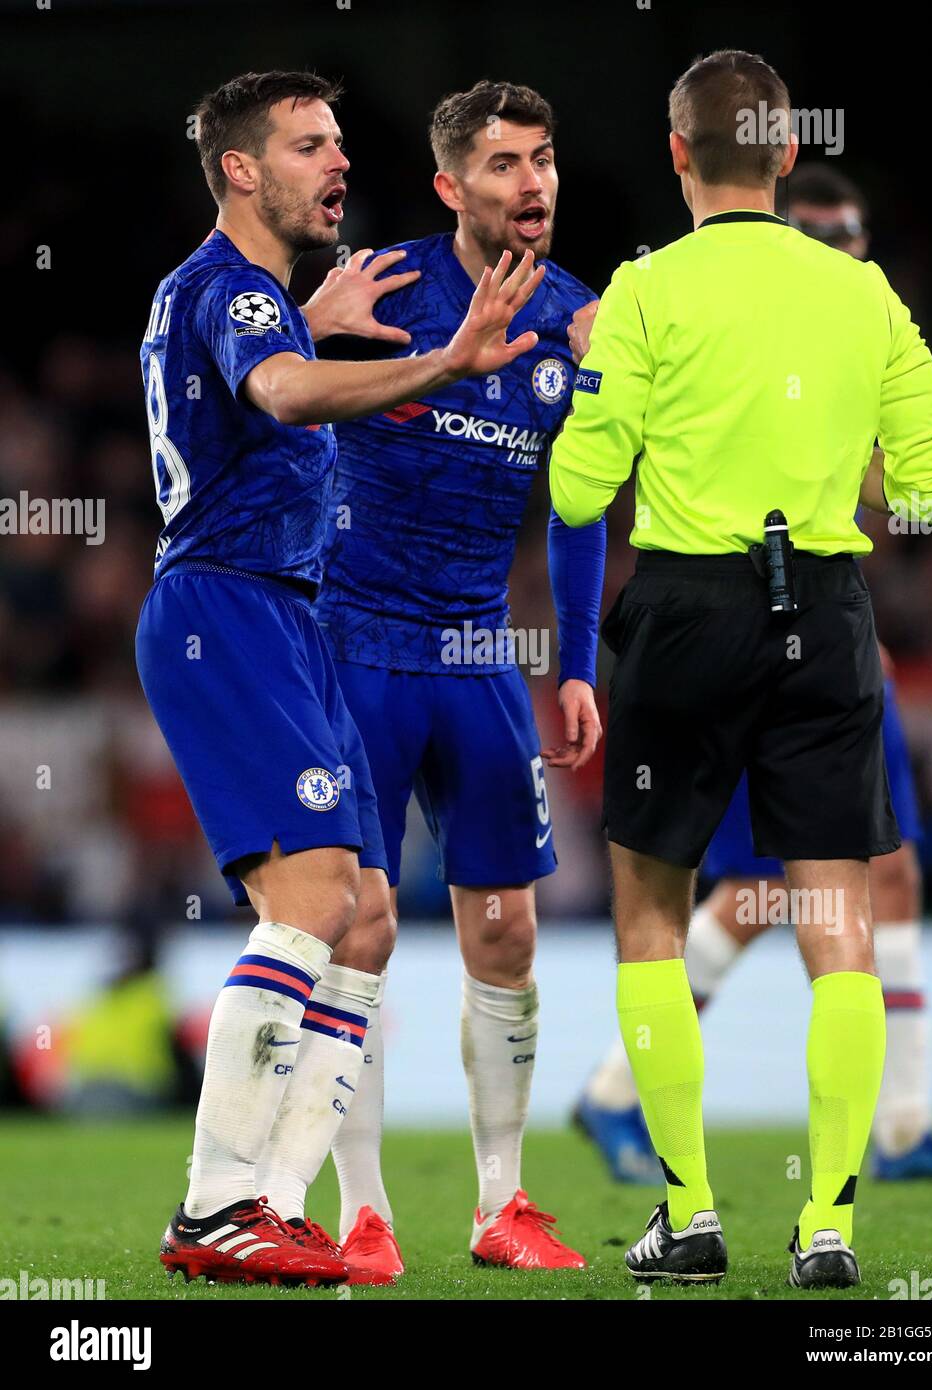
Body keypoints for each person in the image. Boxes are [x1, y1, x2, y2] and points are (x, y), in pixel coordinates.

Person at [549, 50, 932, 1289]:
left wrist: (598, 369)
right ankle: (827, 1225)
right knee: (836, 917)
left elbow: (576, 485)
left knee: (650, 918)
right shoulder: (866, 296)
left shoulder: (640, 293)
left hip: (682, 612)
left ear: (678, 155)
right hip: (824, 612)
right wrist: (825, 465)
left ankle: (690, 1213)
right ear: (786, 156)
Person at [136, 68, 544, 1288]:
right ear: (243, 170)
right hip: (230, 606)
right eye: (310, 145)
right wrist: (443, 364)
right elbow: (281, 393)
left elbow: (259, 383)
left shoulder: (257, 300)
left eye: (338, 142)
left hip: (289, 617)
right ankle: (219, 1207)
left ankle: (274, 1202)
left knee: (363, 915)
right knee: (311, 902)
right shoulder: (228, 288)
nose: (338, 163)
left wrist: (311, 319)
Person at [257, 80, 603, 1276]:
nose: (534, 184)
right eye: (504, 165)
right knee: (358, 922)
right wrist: (311, 323)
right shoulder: (380, 290)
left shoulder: (576, 320)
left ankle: (500, 1205)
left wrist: (577, 659)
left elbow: (577, 500)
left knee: (505, 929)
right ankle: (363, 1212)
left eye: (545, 159)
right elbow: (271, 416)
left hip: (477, 652)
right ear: (453, 187)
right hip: (353, 641)